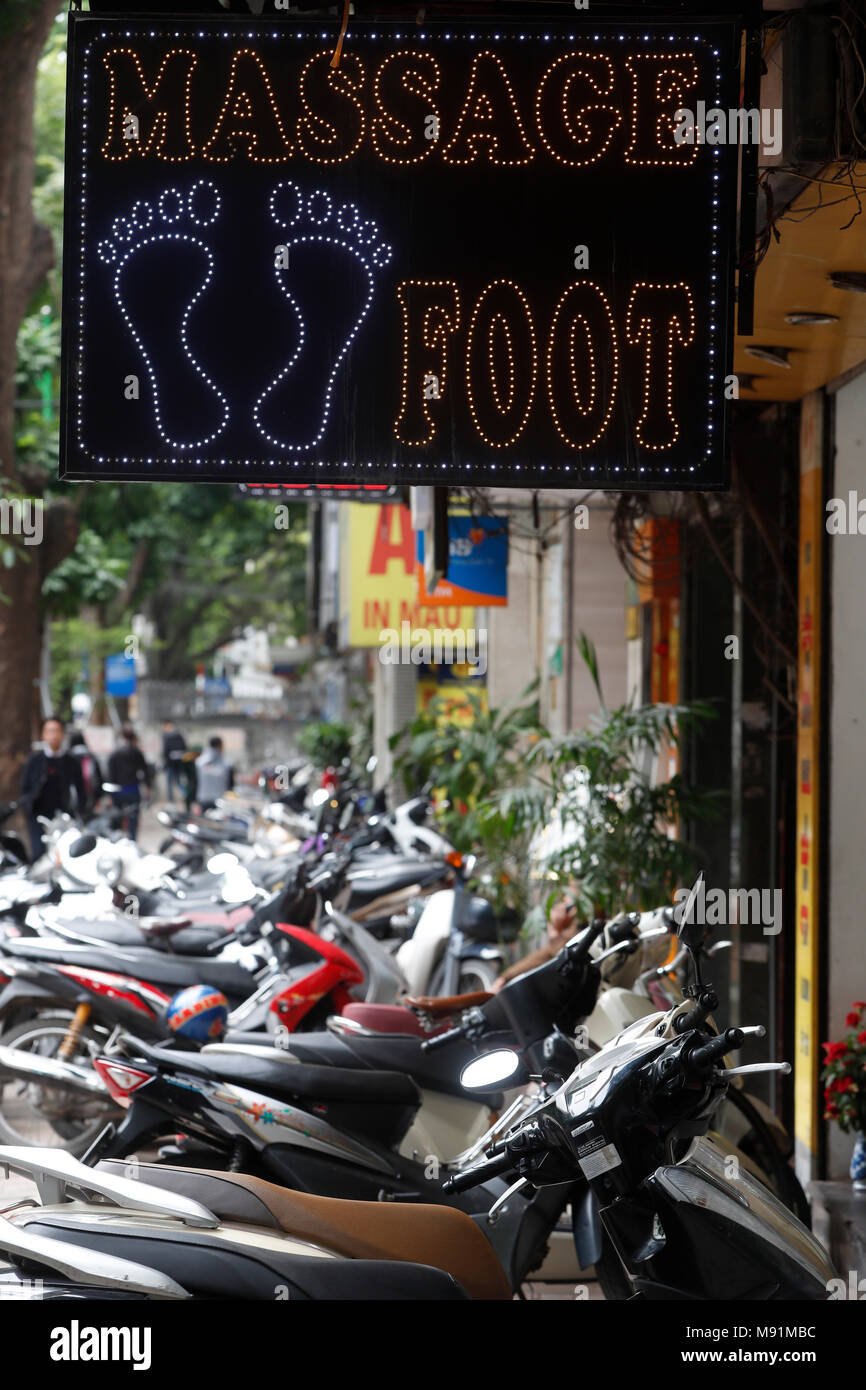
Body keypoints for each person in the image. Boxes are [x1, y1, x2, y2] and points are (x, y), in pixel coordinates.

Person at [19, 716, 87, 862]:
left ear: (62, 734)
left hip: (63, 816)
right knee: (39, 855)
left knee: (65, 856)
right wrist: (27, 807)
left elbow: (80, 789)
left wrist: (80, 812)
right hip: (38, 815)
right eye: (49, 731)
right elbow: (25, 788)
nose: (53, 735)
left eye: (56, 731)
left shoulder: (71, 761)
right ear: (43, 734)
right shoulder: (35, 760)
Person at [490, 897, 579, 993]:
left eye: (566, 906)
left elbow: (561, 957)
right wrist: (504, 978)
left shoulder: (574, 935)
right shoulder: (562, 935)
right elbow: (538, 958)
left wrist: (556, 933)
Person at [106, 724, 152, 841]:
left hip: (118, 790)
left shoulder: (115, 753)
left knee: (118, 818)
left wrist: (110, 795)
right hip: (132, 789)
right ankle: (132, 840)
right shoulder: (136, 752)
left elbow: (110, 775)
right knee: (133, 818)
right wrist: (147, 785)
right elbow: (145, 770)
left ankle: (119, 839)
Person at [66, 729, 103, 817]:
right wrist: (99, 795)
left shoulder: (68, 757)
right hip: (90, 794)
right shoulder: (90, 756)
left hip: (73, 795)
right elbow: (99, 777)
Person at [195, 735, 233, 812]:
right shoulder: (226, 763)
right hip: (219, 800)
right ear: (220, 746)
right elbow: (230, 783)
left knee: (204, 821)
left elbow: (195, 781)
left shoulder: (199, 762)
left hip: (203, 798)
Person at [161, 720, 187, 804]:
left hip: (170, 763)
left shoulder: (167, 736)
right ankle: (185, 795)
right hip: (178, 762)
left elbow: (165, 750)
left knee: (170, 782)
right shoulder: (179, 735)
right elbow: (184, 747)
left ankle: (172, 800)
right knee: (178, 781)